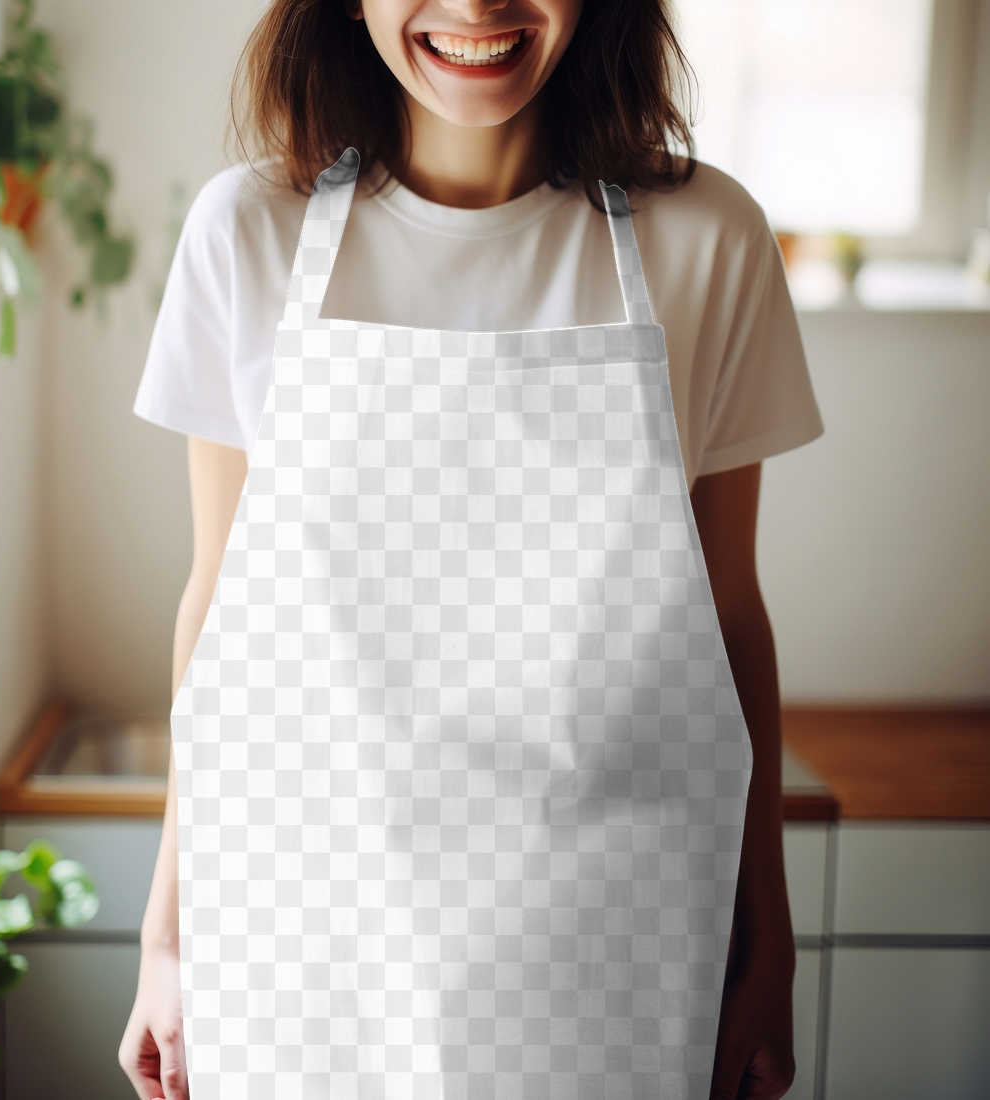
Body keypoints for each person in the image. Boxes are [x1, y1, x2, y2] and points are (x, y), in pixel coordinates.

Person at [120, 0, 823, 1096]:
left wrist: (768, 946)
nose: (477, 5)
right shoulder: (243, 234)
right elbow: (219, 617)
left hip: (609, 968)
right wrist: (167, 937)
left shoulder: (709, 239)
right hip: (300, 962)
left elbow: (727, 618)